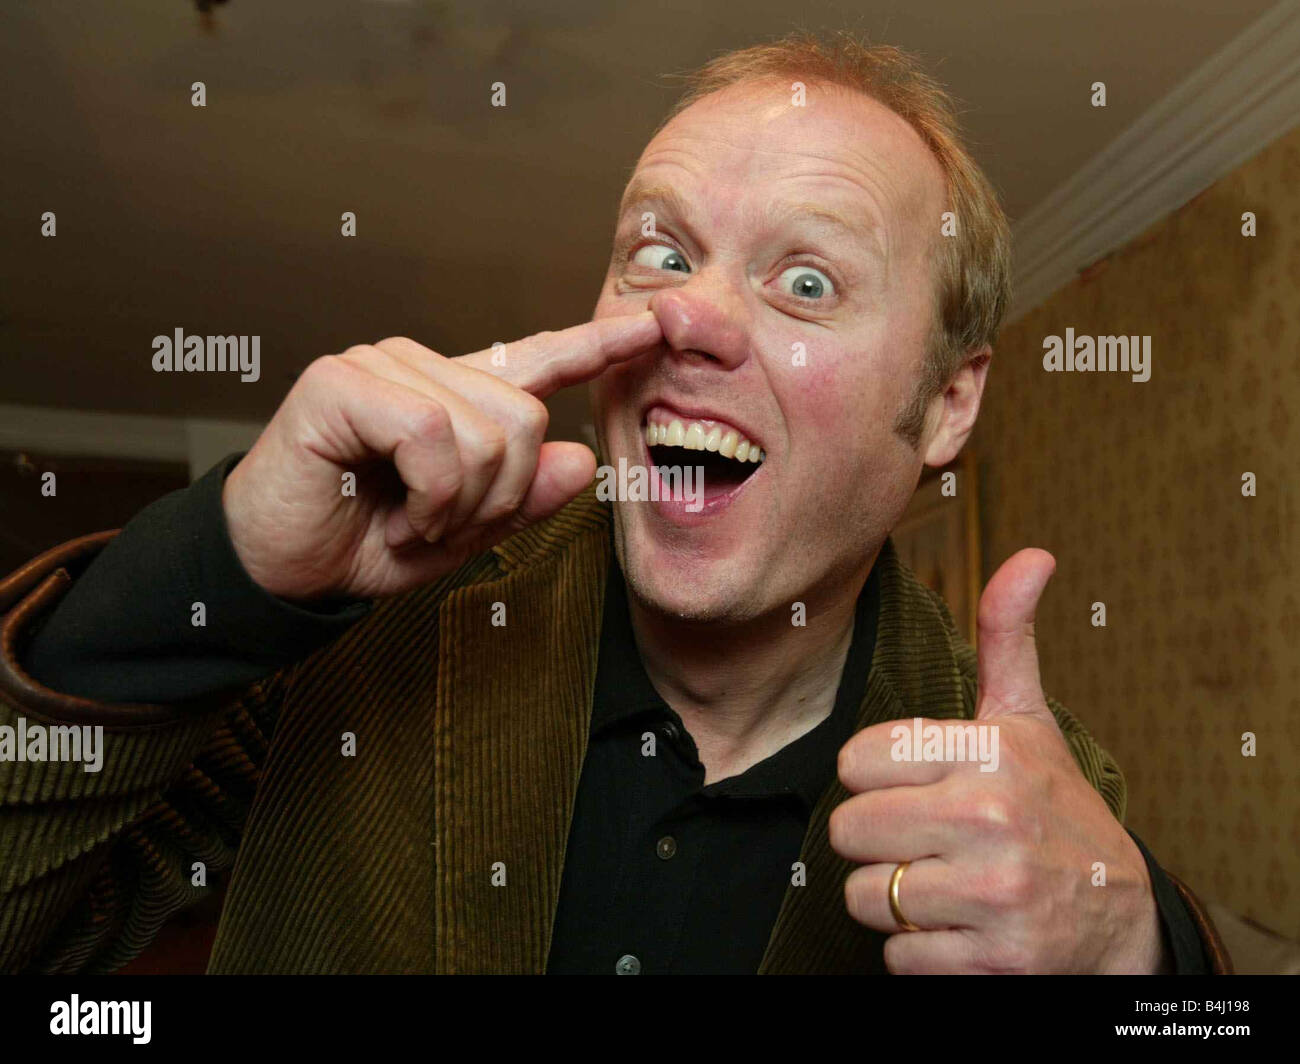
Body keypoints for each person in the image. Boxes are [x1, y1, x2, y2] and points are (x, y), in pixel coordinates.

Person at [0, 34, 1228, 974]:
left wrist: (1140, 945)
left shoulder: (1024, 788)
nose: (686, 316)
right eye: (661, 250)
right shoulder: (360, 645)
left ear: (948, 404)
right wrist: (220, 571)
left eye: (805, 277)